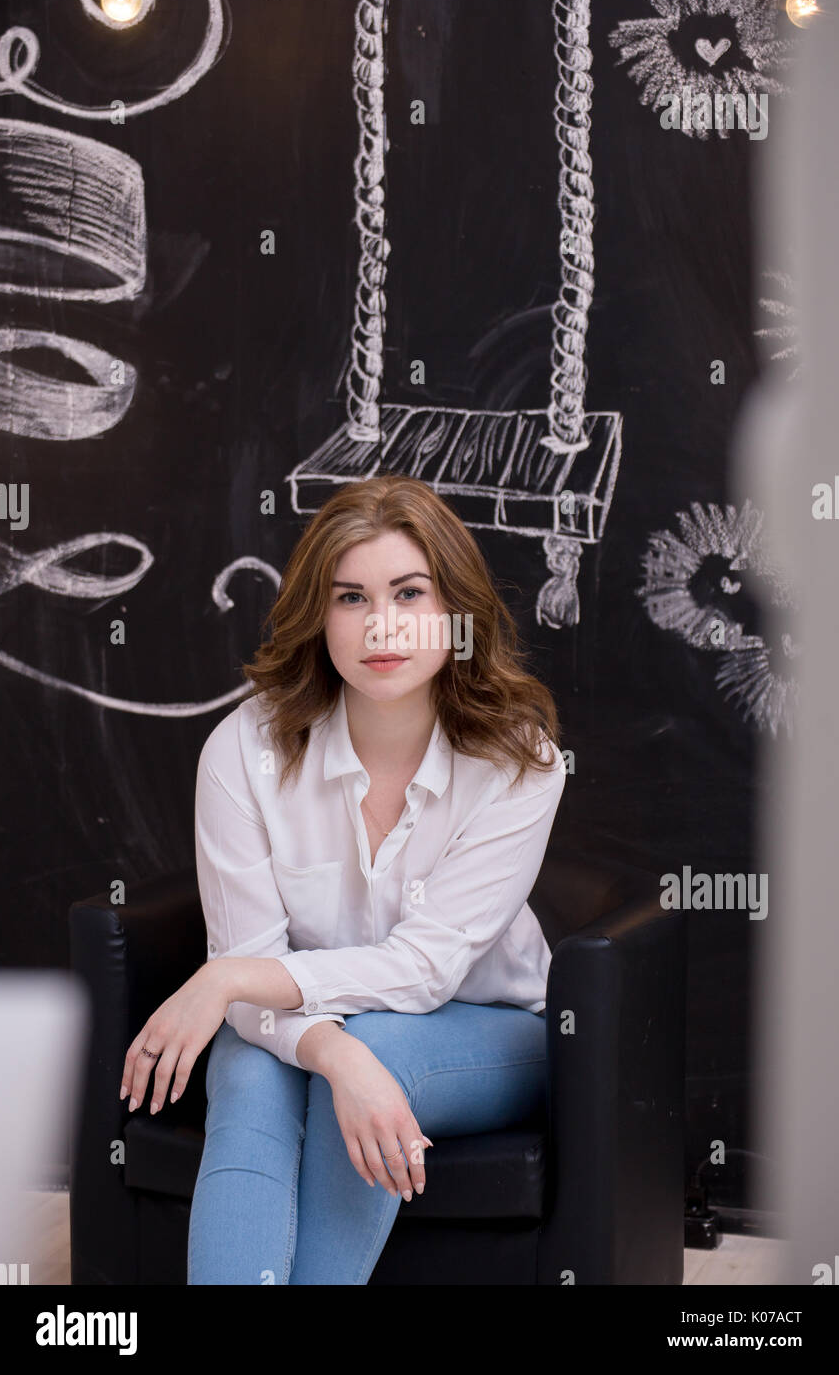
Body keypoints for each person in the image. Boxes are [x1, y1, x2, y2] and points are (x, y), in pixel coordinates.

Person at [119, 474, 567, 1284]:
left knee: (378, 1043)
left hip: (489, 1027)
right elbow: (252, 981)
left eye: (409, 591)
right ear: (319, 618)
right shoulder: (242, 751)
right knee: (252, 1074)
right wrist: (334, 1052)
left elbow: (426, 969)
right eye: (351, 598)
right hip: (302, 1024)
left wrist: (227, 979)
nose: (381, 624)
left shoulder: (519, 758)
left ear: (455, 610)